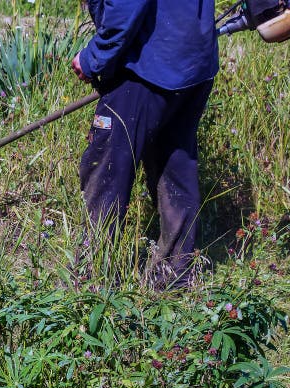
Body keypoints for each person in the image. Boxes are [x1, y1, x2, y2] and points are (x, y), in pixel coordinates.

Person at [71, 0, 220, 289]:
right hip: (193, 61)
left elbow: (126, 4)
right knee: (175, 163)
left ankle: (92, 278)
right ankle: (175, 275)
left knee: (107, 168)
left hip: (146, 65)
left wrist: (93, 57)